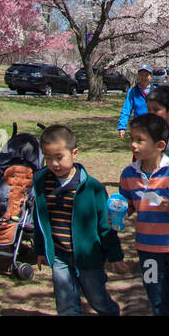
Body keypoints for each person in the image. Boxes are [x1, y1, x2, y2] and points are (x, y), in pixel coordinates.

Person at [32, 124, 125, 316]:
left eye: (59, 158)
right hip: (59, 256)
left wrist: (115, 255)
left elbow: (105, 225)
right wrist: (41, 250)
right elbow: (39, 220)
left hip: (88, 257)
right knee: (66, 303)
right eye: (48, 158)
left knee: (97, 299)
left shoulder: (93, 188)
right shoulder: (42, 183)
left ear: (74, 153)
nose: (54, 164)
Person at [119, 113, 169, 316]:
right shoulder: (128, 174)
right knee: (156, 295)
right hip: (147, 249)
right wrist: (118, 210)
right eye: (132, 139)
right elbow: (127, 205)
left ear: (160, 145)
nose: (133, 145)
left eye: (140, 140)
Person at [117, 63, 153, 138]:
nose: (143, 77)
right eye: (141, 75)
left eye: (146, 75)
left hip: (153, 126)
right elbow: (126, 109)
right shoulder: (132, 91)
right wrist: (122, 127)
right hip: (138, 126)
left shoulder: (155, 91)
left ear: (150, 77)